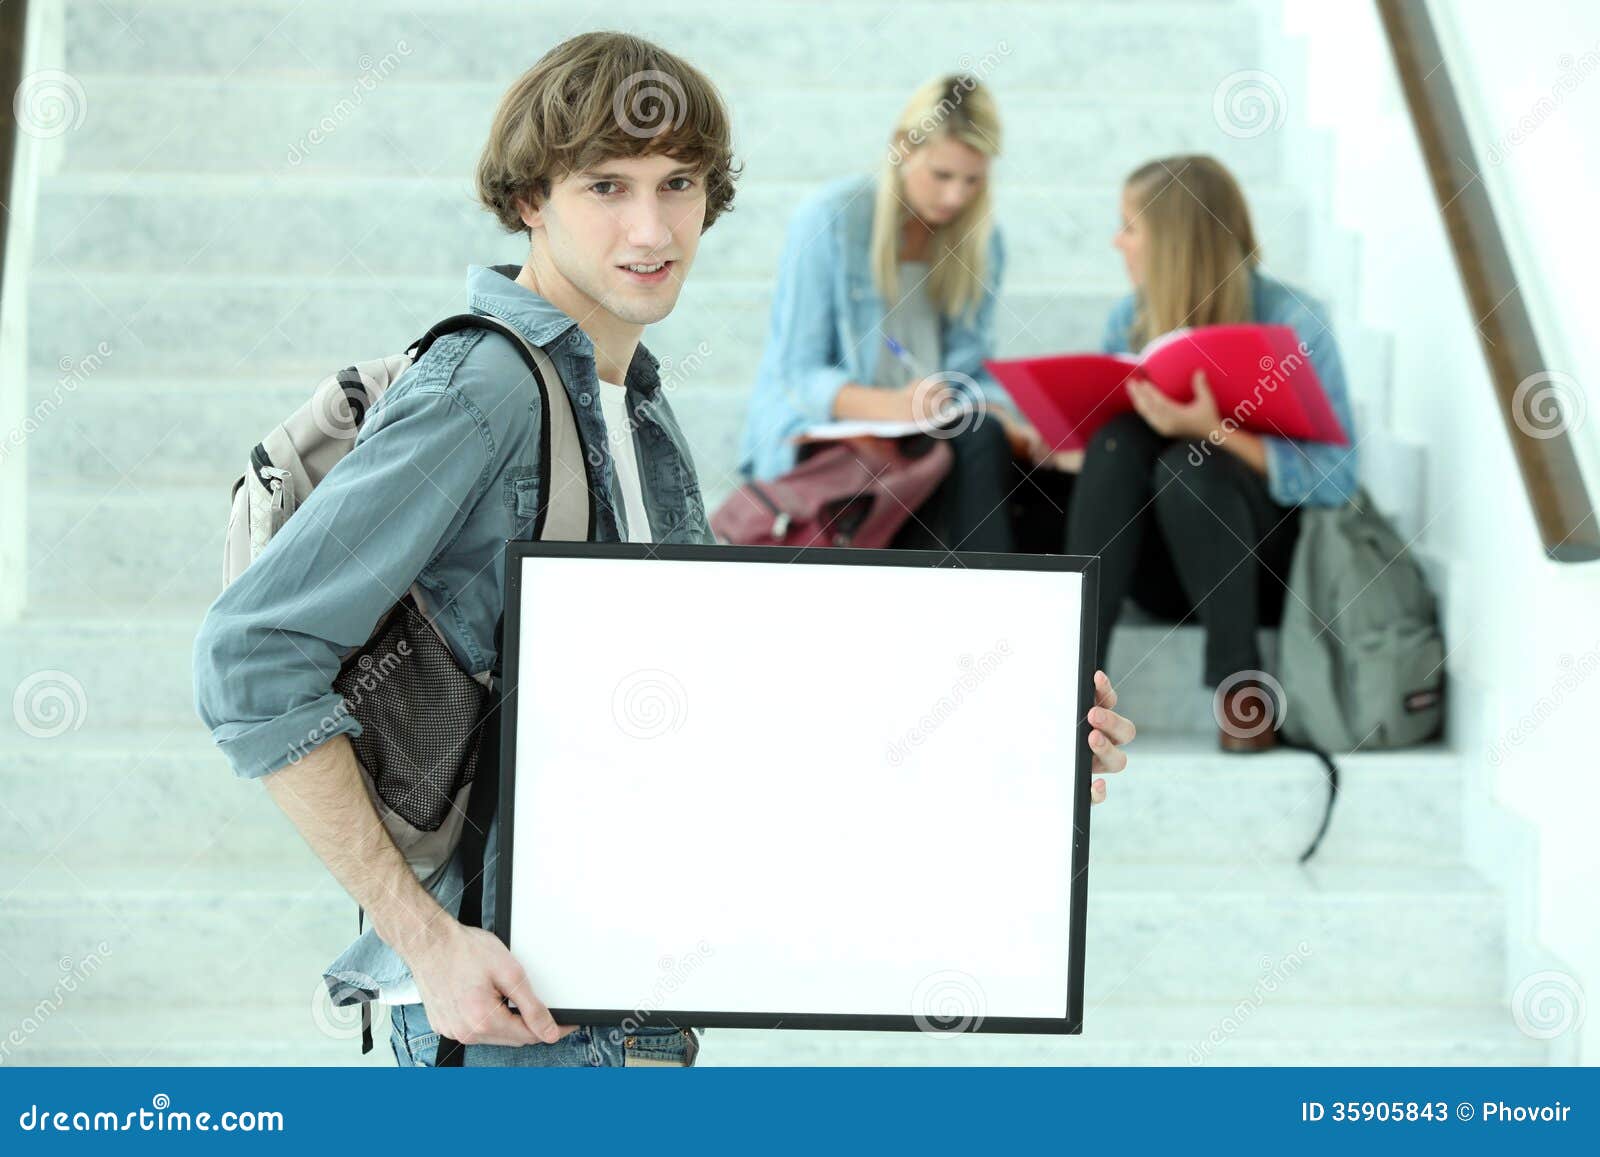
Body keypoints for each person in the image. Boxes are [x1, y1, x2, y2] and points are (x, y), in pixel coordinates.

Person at [192, 33, 1140, 1068]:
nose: (652, 228)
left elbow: (703, 726)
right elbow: (252, 655)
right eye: (607, 185)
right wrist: (424, 942)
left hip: (635, 1007)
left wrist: (1011, 747)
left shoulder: (637, 406)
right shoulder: (485, 389)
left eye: (678, 184)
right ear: (529, 200)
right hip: (516, 1024)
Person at [1065, 154, 1359, 752]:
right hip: (1159, 568)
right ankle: (1074, 681)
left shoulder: (1294, 321)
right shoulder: (1130, 319)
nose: (1117, 241)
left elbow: (1338, 479)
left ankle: (1242, 691)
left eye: (1130, 226)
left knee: (1190, 466)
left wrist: (1216, 428)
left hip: (1256, 569)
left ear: (1172, 241)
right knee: (1119, 442)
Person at [736, 74, 1077, 554]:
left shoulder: (981, 242)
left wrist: (1003, 411)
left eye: (973, 180)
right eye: (942, 175)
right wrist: (895, 407)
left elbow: (972, 368)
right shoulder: (831, 219)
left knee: (1011, 449)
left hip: (932, 434)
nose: (956, 196)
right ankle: (990, 598)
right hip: (836, 434)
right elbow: (800, 375)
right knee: (974, 447)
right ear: (902, 148)